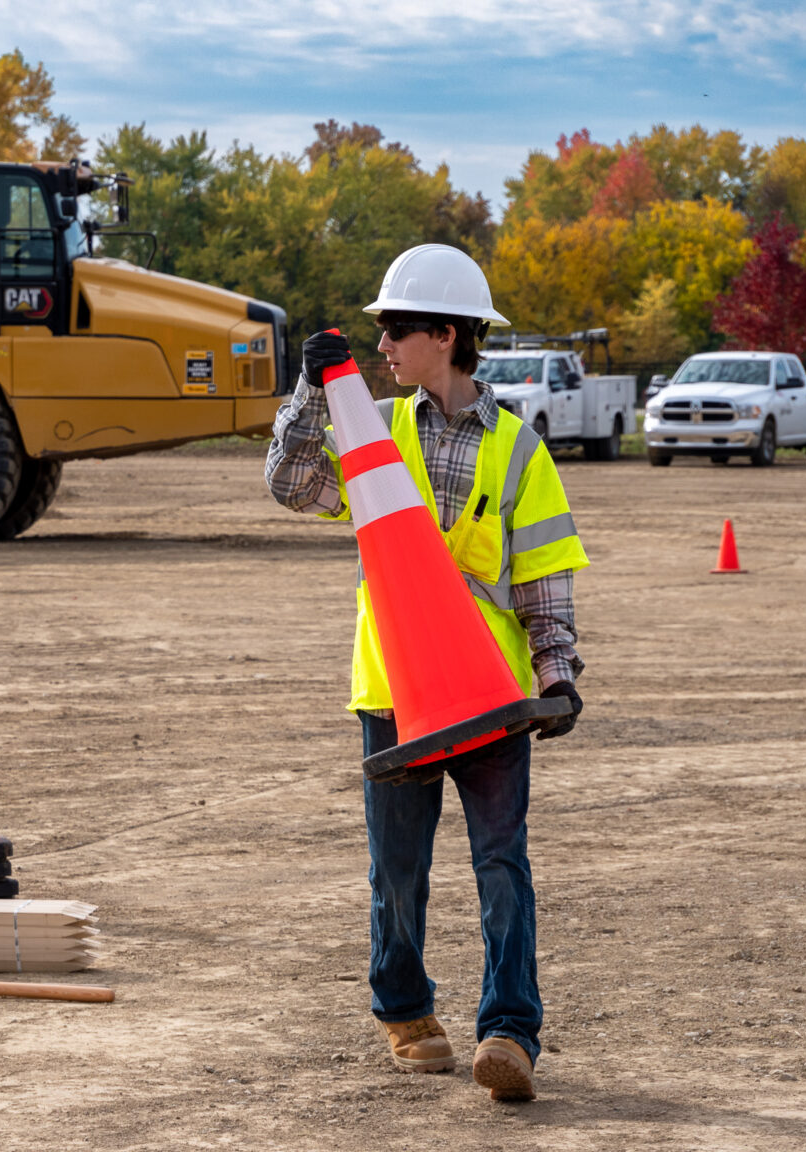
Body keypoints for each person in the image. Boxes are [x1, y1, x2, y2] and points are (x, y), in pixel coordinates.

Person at [265, 244, 588, 1103]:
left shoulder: (520, 451)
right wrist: (310, 392)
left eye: (396, 330)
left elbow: (543, 577)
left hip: (490, 695)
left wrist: (555, 676)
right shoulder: (381, 432)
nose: (383, 347)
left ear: (445, 336)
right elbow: (292, 485)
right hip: (394, 690)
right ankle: (405, 1010)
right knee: (397, 870)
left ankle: (510, 1032)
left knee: (501, 866)